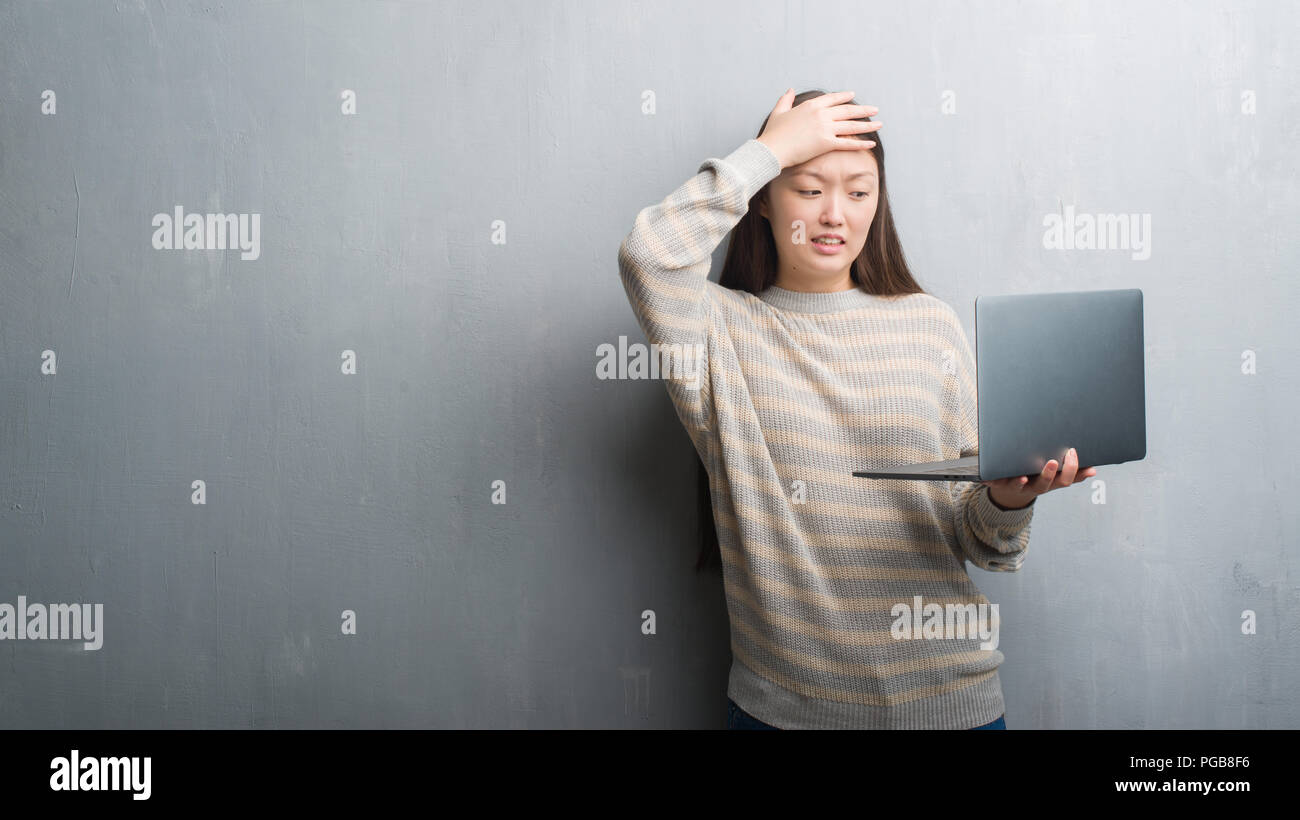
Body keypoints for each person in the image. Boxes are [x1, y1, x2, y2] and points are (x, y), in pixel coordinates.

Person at [617, 88, 1096, 730]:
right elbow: (649, 257)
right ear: (765, 198)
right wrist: (769, 150)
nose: (833, 215)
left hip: (952, 708)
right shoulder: (719, 333)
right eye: (809, 189)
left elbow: (982, 542)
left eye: (858, 192)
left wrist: (1011, 500)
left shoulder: (930, 328)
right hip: (783, 714)